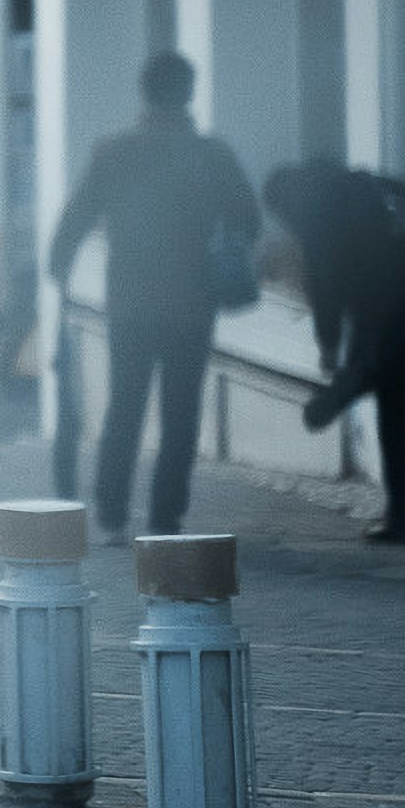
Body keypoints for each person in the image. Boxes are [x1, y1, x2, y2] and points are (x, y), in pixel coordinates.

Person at [47, 51, 257, 541]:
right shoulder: (212, 155)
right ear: (187, 93)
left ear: (143, 93)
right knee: (180, 413)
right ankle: (165, 519)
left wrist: (59, 267)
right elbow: (248, 217)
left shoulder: (114, 151)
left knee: (125, 407)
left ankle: (114, 516)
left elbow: (77, 216)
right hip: (191, 303)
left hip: (131, 303)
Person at [261, 159, 405, 544]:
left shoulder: (311, 212)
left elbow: (324, 282)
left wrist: (329, 344)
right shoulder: (362, 183)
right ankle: (403, 515)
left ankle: (404, 517)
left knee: (393, 405)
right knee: (391, 390)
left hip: (381, 303)